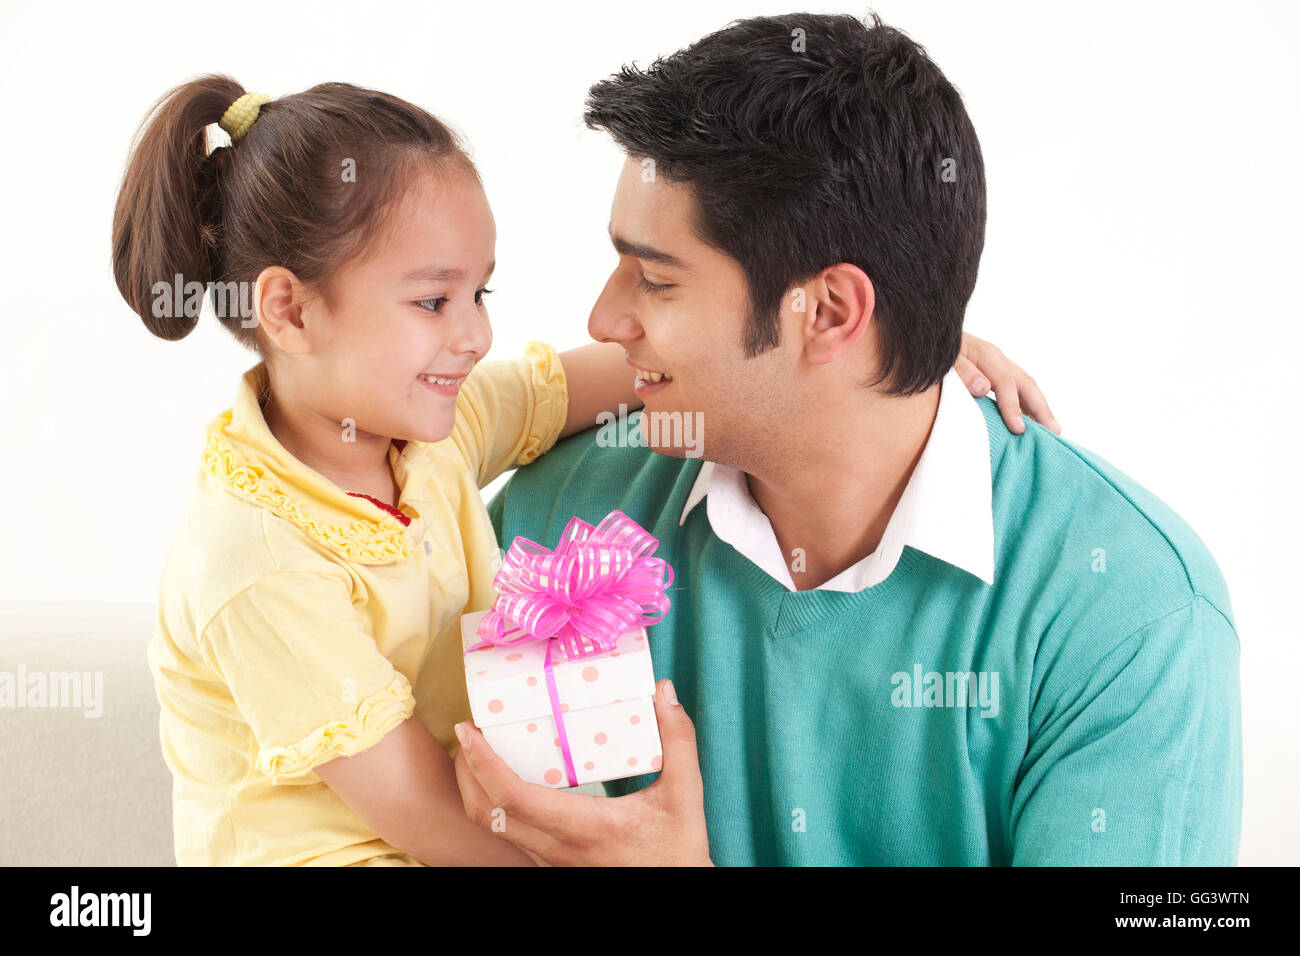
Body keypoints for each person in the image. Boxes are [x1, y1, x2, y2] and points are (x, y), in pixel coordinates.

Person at [113, 74, 1040, 865]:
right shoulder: (257, 560)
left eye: (480, 293)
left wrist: (892, 338)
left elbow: (606, 381)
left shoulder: (429, 430)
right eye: (433, 300)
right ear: (289, 310)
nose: (474, 334)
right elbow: (427, 815)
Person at [454, 13, 1243, 866]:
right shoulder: (561, 513)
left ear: (828, 312)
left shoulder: (1133, 617)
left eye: (655, 278)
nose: (604, 320)